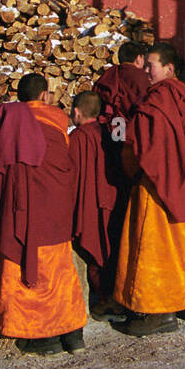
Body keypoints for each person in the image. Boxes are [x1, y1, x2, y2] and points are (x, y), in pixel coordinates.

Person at [112, 43, 185, 336]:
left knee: (154, 248)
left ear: (169, 68)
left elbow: (139, 144)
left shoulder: (154, 102)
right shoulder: (184, 94)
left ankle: (155, 312)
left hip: (155, 181)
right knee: (182, 239)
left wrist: (130, 168)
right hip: (181, 174)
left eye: (151, 65)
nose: (146, 71)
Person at [0, 73, 87, 356]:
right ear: (44, 96)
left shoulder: (7, 122)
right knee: (61, 270)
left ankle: (41, 336)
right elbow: (67, 167)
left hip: (20, 210)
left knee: (24, 272)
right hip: (55, 211)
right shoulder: (57, 124)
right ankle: (73, 332)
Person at [68, 91, 128, 320]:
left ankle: (107, 300)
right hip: (111, 198)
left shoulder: (77, 138)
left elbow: (70, 174)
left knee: (97, 253)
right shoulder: (107, 133)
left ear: (76, 112)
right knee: (112, 248)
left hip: (91, 204)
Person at [94, 41, 151, 126]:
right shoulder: (142, 77)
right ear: (138, 58)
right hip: (133, 127)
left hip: (109, 127)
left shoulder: (109, 74)